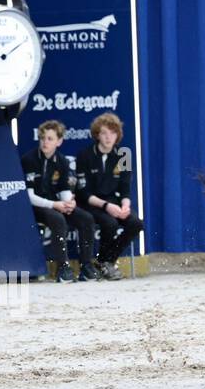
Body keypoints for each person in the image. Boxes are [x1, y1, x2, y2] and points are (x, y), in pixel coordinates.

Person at [22, 120, 100, 282]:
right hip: (34, 207)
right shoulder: (29, 160)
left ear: (59, 141)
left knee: (86, 219)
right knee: (58, 219)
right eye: (42, 138)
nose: (45, 142)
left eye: (50, 139)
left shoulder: (63, 161)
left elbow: (64, 189)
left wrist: (68, 202)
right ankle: (63, 267)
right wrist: (55, 205)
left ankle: (86, 266)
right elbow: (28, 196)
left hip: (55, 204)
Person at [75, 112, 143, 281]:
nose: (108, 137)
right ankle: (106, 264)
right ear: (97, 134)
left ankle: (106, 261)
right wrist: (107, 207)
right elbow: (83, 193)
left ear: (118, 135)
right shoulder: (85, 156)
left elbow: (126, 187)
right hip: (92, 203)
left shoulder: (124, 154)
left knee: (135, 223)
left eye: (112, 133)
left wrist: (125, 205)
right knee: (110, 223)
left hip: (115, 202)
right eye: (104, 133)